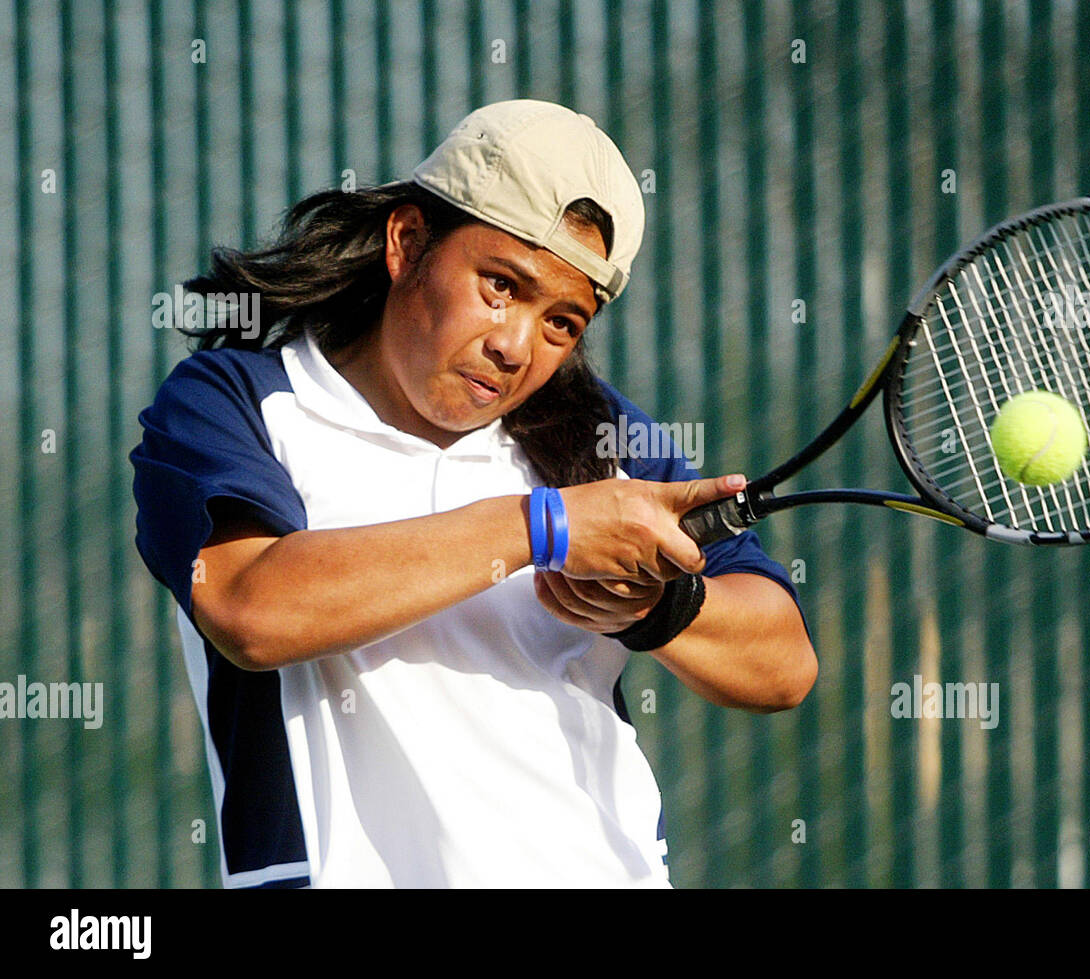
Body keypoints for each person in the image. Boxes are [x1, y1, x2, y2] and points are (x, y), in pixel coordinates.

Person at [130, 99, 816, 888]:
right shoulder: (234, 401)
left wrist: (660, 607)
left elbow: (784, 664)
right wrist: (545, 526)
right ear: (408, 241)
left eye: (562, 322)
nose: (516, 344)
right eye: (500, 286)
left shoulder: (593, 433)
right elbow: (250, 604)